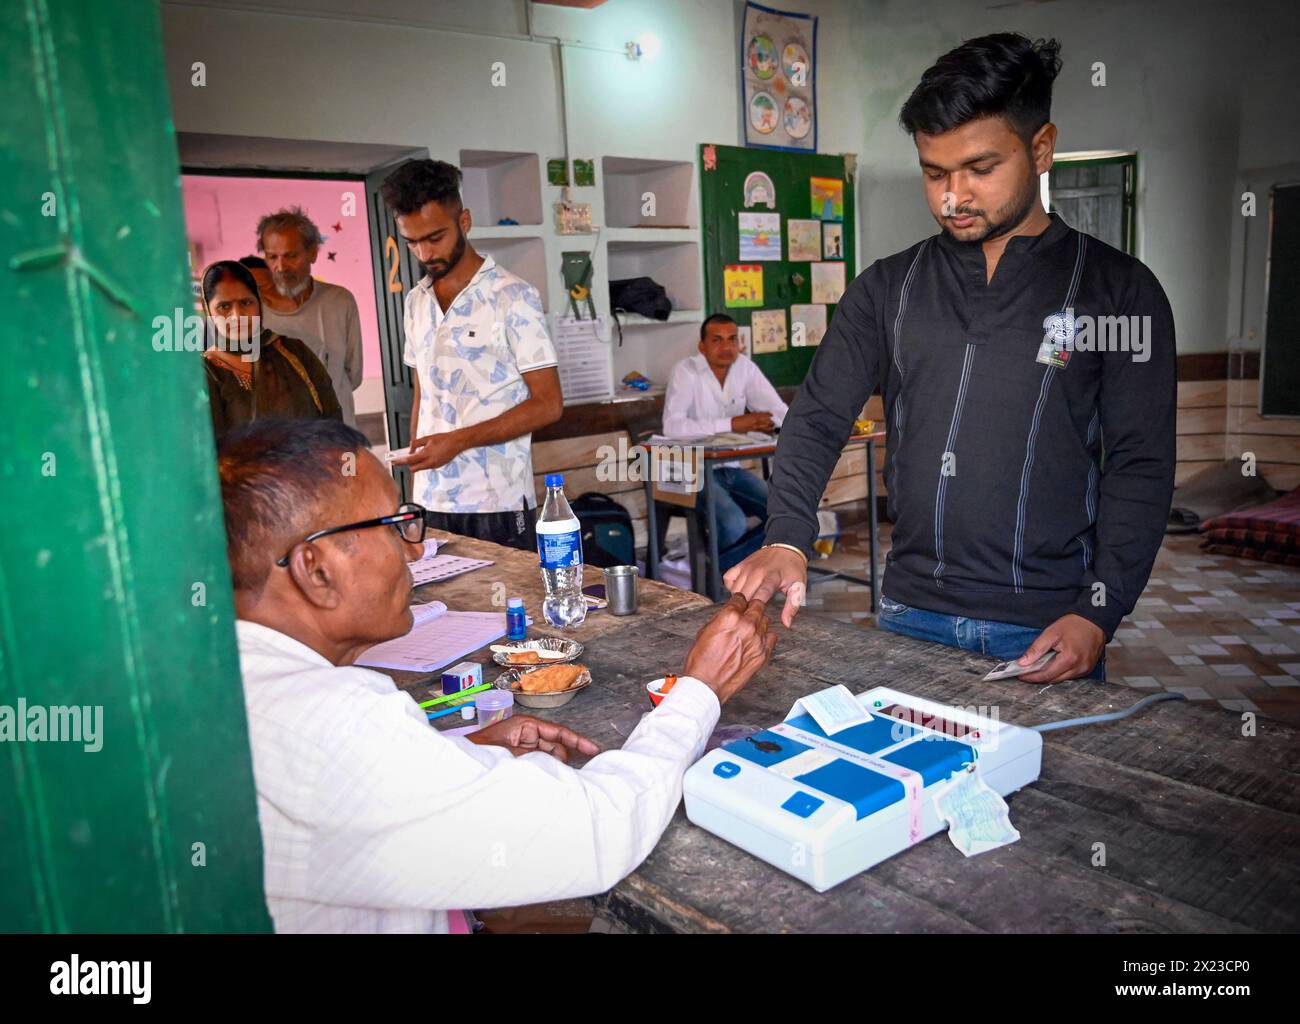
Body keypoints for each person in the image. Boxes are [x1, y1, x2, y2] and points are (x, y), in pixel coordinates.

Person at [726, 33, 1176, 684]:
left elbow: (1141, 464)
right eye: (935, 173)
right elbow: (821, 415)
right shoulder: (888, 288)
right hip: (910, 612)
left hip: (1048, 622)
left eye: (980, 168)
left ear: (1041, 148)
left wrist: (1099, 611)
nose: (952, 197)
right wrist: (788, 536)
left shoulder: (1118, 290)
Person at [217, 418, 777, 933]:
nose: (415, 550)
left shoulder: (229, 677)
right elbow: (598, 830)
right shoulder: (335, 726)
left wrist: (458, 752)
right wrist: (699, 690)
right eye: (395, 526)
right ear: (317, 569)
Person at [380, 159, 563, 552]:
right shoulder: (415, 302)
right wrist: (415, 487)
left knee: (510, 609)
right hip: (432, 501)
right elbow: (422, 395)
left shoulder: (513, 297)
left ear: (464, 221)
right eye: (412, 242)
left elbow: (548, 405)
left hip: (497, 500)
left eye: (435, 237)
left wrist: (459, 441)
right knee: (440, 610)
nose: (424, 252)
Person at [662, 313, 789, 570]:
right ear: (702, 346)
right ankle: (725, 576)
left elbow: (779, 411)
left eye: (733, 339)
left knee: (785, 513)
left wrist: (767, 421)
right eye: (717, 340)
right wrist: (733, 424)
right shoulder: (685, 371)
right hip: (688, 472)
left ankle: (717, 569)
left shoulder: (745, 368)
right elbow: (673, 427)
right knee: (733, 522)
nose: (727, 347)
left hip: (730, 468)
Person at [201, 260, 342, 437]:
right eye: (224, 306)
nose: (237, 316)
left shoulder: (293, 351)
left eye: (246, 303)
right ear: (209, 311)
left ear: (259, 303)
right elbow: (211, 449)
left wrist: (344, 464)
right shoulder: (206, 372)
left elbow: (334, 418)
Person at [256, 207, 365, 427]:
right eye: (271, 257)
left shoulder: (340, 301)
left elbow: (353, 375)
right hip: (279, 443)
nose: (280, 267)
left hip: (338, 437)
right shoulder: (250, 311)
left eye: (291, 256)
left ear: (313, 253)